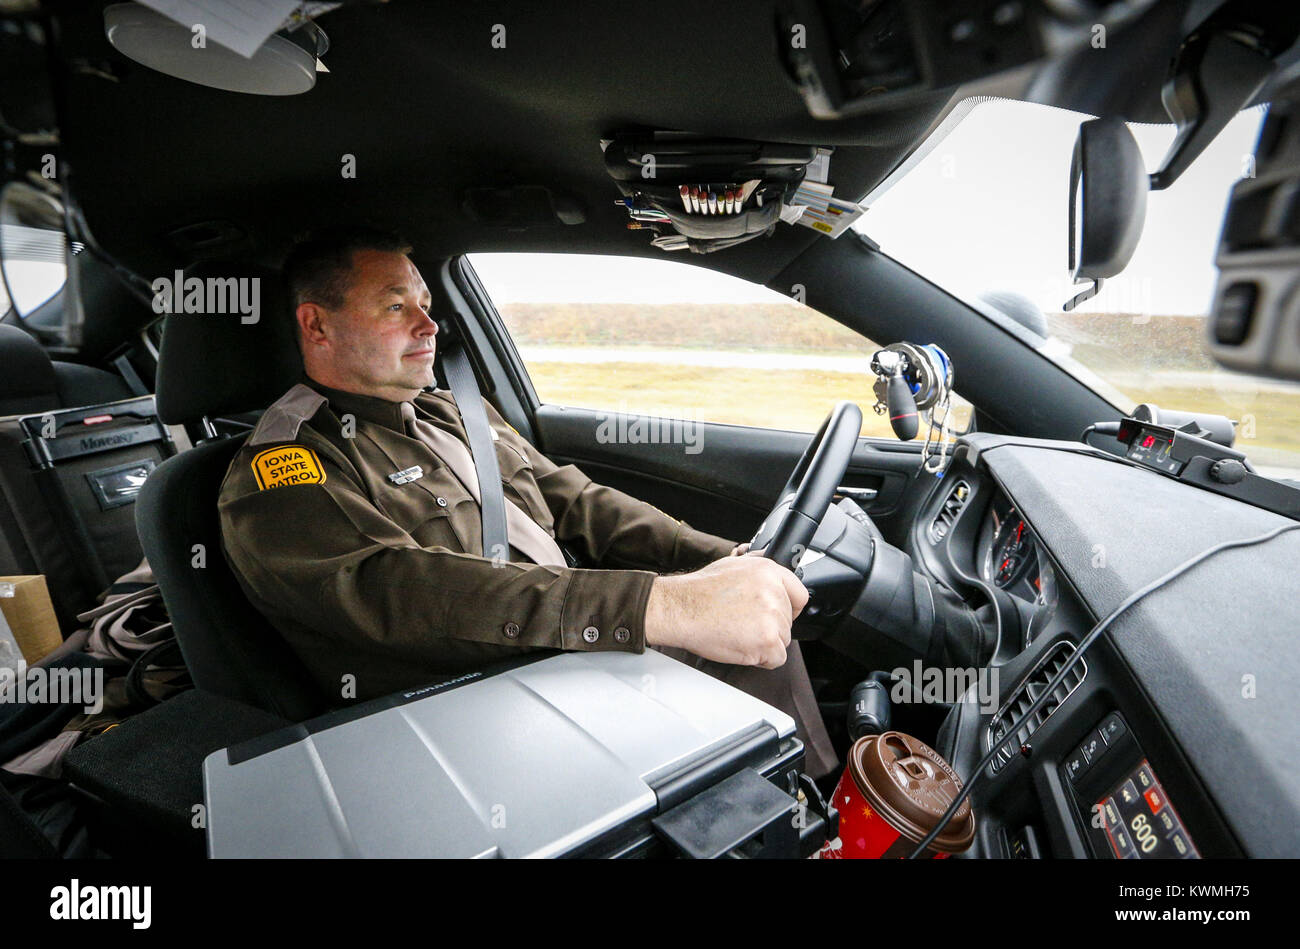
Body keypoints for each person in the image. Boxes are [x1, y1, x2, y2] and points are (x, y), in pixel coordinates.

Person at [217, 228, 837, 776]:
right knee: (746, 651)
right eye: (394, 306)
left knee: (757, 625)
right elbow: (394, 588)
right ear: (316, 324)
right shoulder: (282, 469)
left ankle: (807, 811)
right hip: (460, 706)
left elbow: (579, 503)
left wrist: (731, 557)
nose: (428, 326)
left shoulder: (452, 412)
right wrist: (652, 605)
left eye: (426, 305)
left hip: (560, 653)